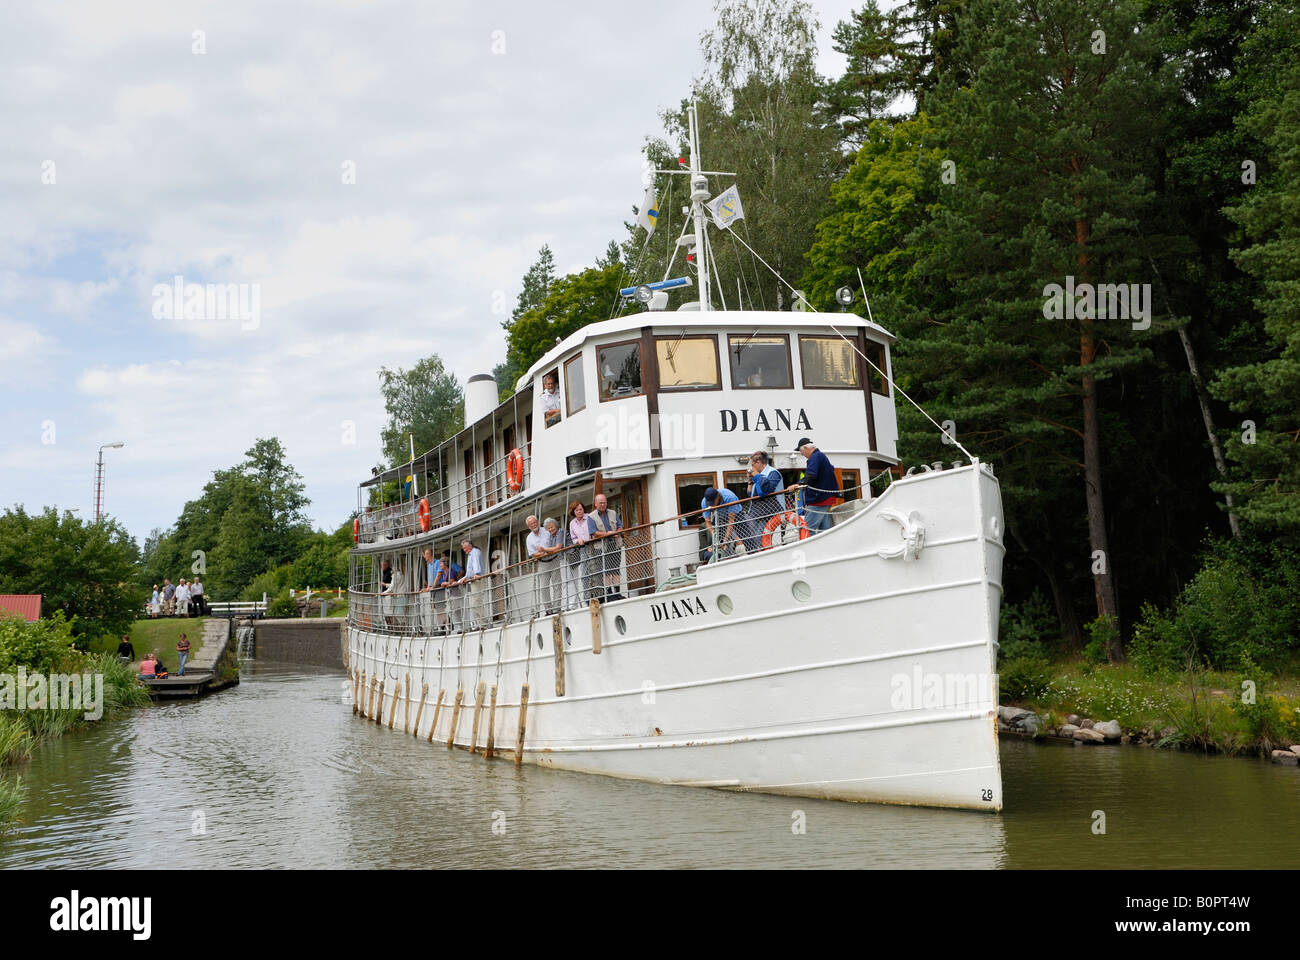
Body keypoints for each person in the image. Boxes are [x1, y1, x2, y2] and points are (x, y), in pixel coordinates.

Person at [795, 438, 840, 534]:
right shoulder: (820, 456)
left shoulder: (815, 457)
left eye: (801, 451)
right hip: (824, 498)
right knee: (824, 531)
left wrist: (798, 484)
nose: (802, 454)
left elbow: (811, 475)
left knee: (807, 530)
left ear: (806, 448)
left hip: (819, 500)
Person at [744, 450, 786, 552]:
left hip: (770, 511)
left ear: (758, 462)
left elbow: (766, 491)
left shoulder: (773, 473)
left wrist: (757, 476)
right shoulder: (760, 475)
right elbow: (750, 494)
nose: (752, 467)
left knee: (761, 538)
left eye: (752, 464)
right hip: (757, 512)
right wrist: (750, 481)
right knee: (757, 538)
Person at [589, 493, 624, 600]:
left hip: (615, 544)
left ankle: (617, 593)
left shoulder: (613, 513)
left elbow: (620, 526)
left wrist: (617, 532)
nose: (603, 505)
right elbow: (594, 532)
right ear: (595, 504)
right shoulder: (591, 516)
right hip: (601, 547)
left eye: (604, 503)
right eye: (600, 503)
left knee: (616, 569)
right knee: (606, 571)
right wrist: (607, 534)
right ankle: (609, 594)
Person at [526, 515, 562, 615]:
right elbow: (533, 554)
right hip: (542, 563)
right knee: (544, 587)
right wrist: (545, 553)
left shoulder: (546, 530)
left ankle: (556, 608)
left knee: (557, 585)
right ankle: (549, 610)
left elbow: (554, 544)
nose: (534, 525)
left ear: (538, 522)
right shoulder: (529, 538)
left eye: (535, 522)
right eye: (531, 524)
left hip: (554, 559)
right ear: (529, 526)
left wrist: (544, 551)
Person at [700, 486, 743, 560]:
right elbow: (708, 522)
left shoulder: (729, 497)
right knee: (721, 543)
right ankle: (726, 558)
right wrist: (715, 538)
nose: (711, 505)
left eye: (712, 503)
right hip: (720, 518)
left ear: (718, 497)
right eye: (709, 503)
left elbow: (731, 520)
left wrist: (726, 539)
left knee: (744, 539)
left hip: (737, 515)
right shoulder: (704, 502)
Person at [455, 538, 489, 629]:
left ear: (469, 546)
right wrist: (463, 579)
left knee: (476, 603)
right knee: (475, 603)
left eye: (464, 548)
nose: (464, 550)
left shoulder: (475, 552)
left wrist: (477, 573)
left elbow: (476, 565)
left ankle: (484, 624)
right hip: (473, 580)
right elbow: (469, 571)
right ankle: (481, 624)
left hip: (477, 580)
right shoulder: (471, 554)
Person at [567, 500, 594, 607]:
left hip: (593, 546)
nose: (579, 511)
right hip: (583, 549)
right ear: (573, 512)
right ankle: (587, 599)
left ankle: (599, 596)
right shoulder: (572, 523)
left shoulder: (589, 517)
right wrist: (577, 540)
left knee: (596, 571)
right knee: (584, 573)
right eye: (577, 510)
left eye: (581, 509)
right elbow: (573, 538)